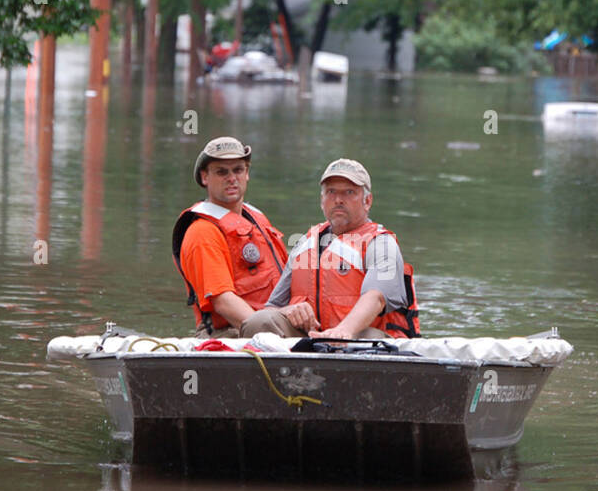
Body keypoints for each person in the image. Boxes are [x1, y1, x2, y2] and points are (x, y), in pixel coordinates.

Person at [242, 158, 420, 340]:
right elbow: (273, 306)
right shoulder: (305, 242)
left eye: (349, 192)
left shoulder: (382, 243)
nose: (338, 200)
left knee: (368, 338)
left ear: (367, 201)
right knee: (259, 322)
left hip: (361, 337)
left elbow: (376, 297)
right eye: (331, 192)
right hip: (310, 336)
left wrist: (343, 331)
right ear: (322, 200)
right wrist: (291, 311)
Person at [172, 137, 288, 338]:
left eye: (238, 170)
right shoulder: (202, 232)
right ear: (205, 177)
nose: (232, 178)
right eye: (221, 172)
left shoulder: (257, 219)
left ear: (247, 173)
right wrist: (271, 336)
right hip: (229, 333)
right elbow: (223, 302)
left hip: (275, 322)